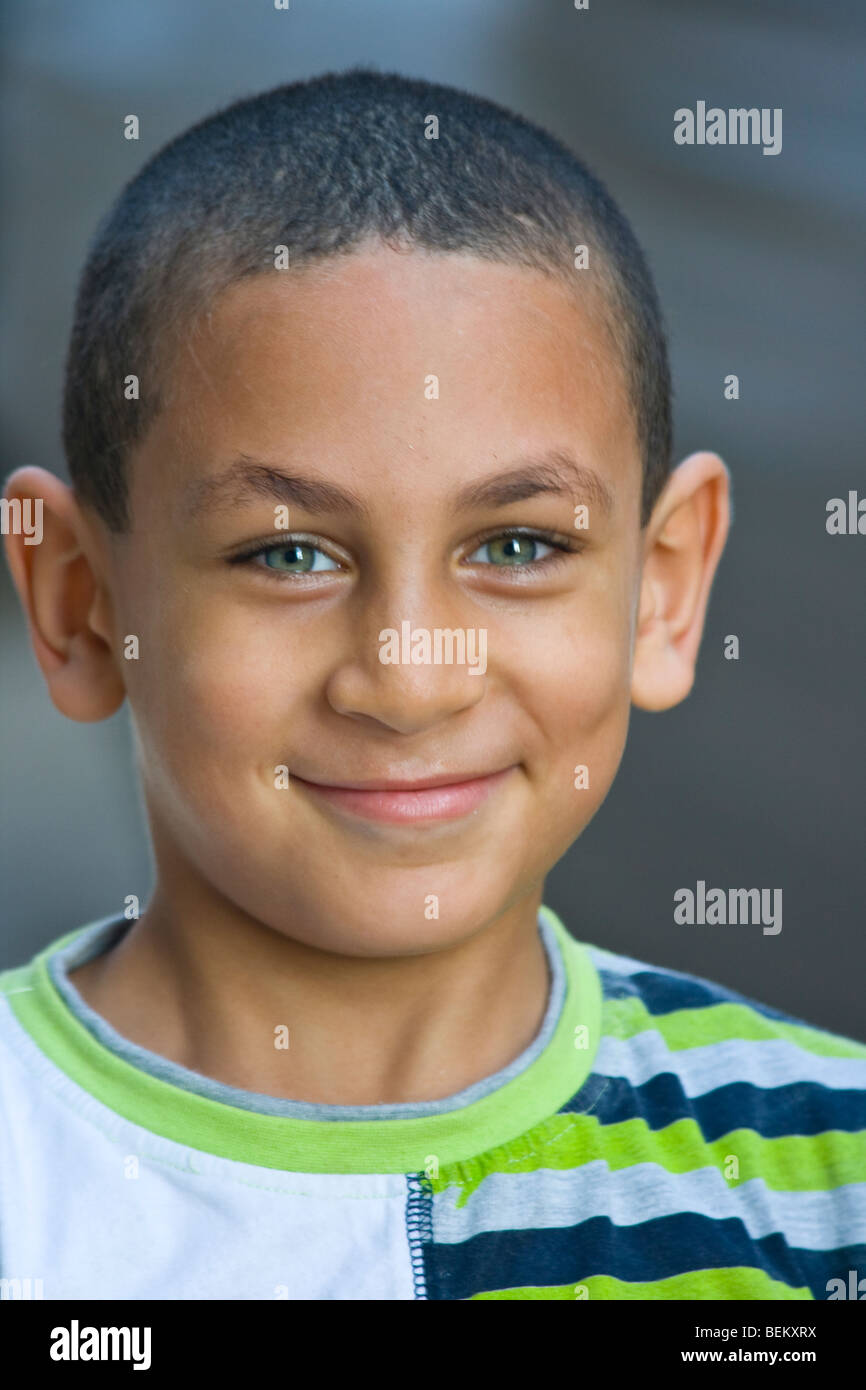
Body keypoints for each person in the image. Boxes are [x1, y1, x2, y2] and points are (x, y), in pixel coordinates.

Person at [2, 67, 864, 1301]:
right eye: (287, 554)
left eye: (517, 547)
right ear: (79, 604)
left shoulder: (828, 1185)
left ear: (661, 590)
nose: (410, 679)